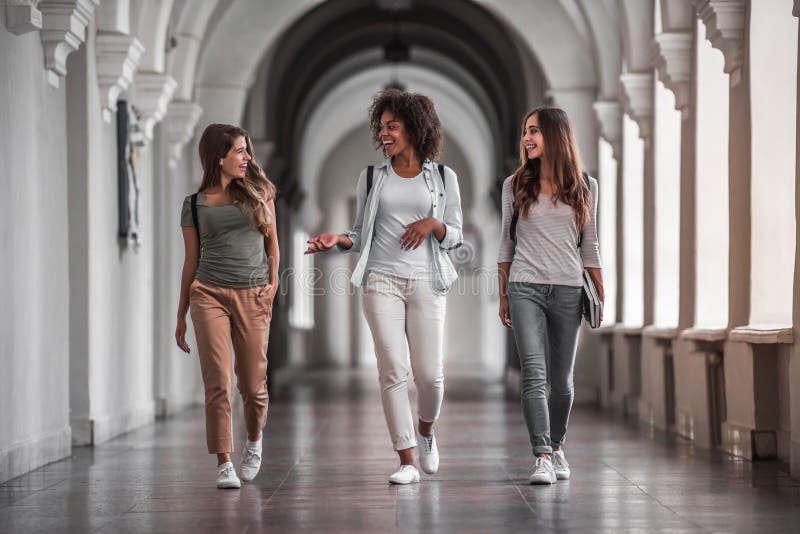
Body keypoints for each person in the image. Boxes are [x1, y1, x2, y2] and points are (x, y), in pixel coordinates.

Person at [305, 89, 463, 485]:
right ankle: (407, 459)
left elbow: (457, 236)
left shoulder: (443, 178)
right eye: (382, 127)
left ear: (414, 127)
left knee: (430, 375)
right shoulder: (372, 177)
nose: (385, 133)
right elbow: (360, 234)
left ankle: (426, 431)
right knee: (393, 370)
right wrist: (338, 240)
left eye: (392, 126)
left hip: (427, 280)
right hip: (381, 280)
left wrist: (434, 225)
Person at [497, 107, 603, 484]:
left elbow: (590, 246)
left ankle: (557, 446)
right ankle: (541, 454)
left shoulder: (584, 185)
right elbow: (506, 243)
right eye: (526, 131)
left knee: (563, 381)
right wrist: (503, 293)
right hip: (524, 286)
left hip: (569, 289)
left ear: (556, 136)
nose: (527, 138)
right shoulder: (514, 185)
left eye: (535, 132)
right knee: (533, 374)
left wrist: (600, 292)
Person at [175, 123, 279, 489]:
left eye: (247, 150)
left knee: (253, 385)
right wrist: (181, 314)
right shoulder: (194, 204)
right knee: (218, 381)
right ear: (218, 158)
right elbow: (190, 261)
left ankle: (254, 440)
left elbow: (272, 247)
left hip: (253, 294)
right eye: (239, 150)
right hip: (208, 295)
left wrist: (273, 284)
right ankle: (223, 462)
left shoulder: (261, 193)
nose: (247, 157)